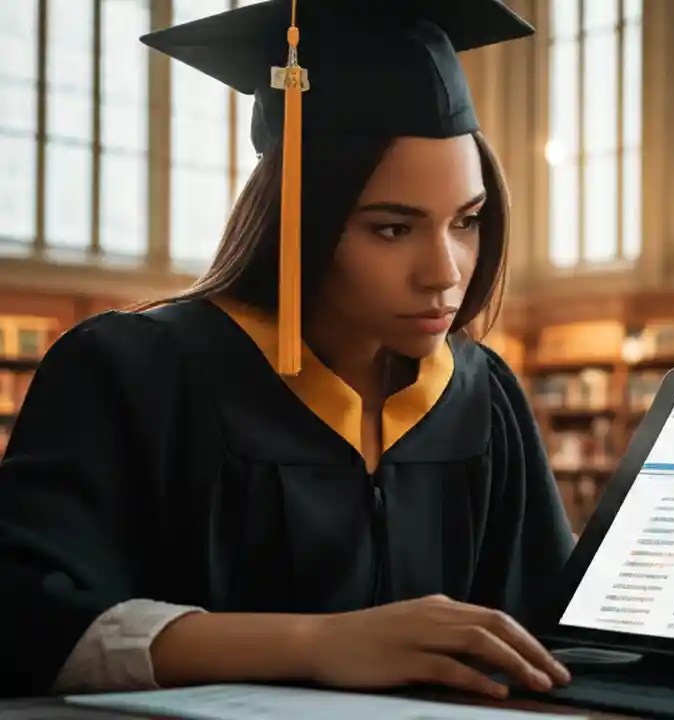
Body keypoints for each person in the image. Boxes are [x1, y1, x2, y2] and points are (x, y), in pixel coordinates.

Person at [0, 0, 575, 700]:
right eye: (392, 229)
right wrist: (318, 643)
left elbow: (557, 638)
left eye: (467, 221)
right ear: (300, 216)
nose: (446, 272)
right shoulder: (130, 373)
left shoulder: (483, 396)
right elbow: (27, 621)